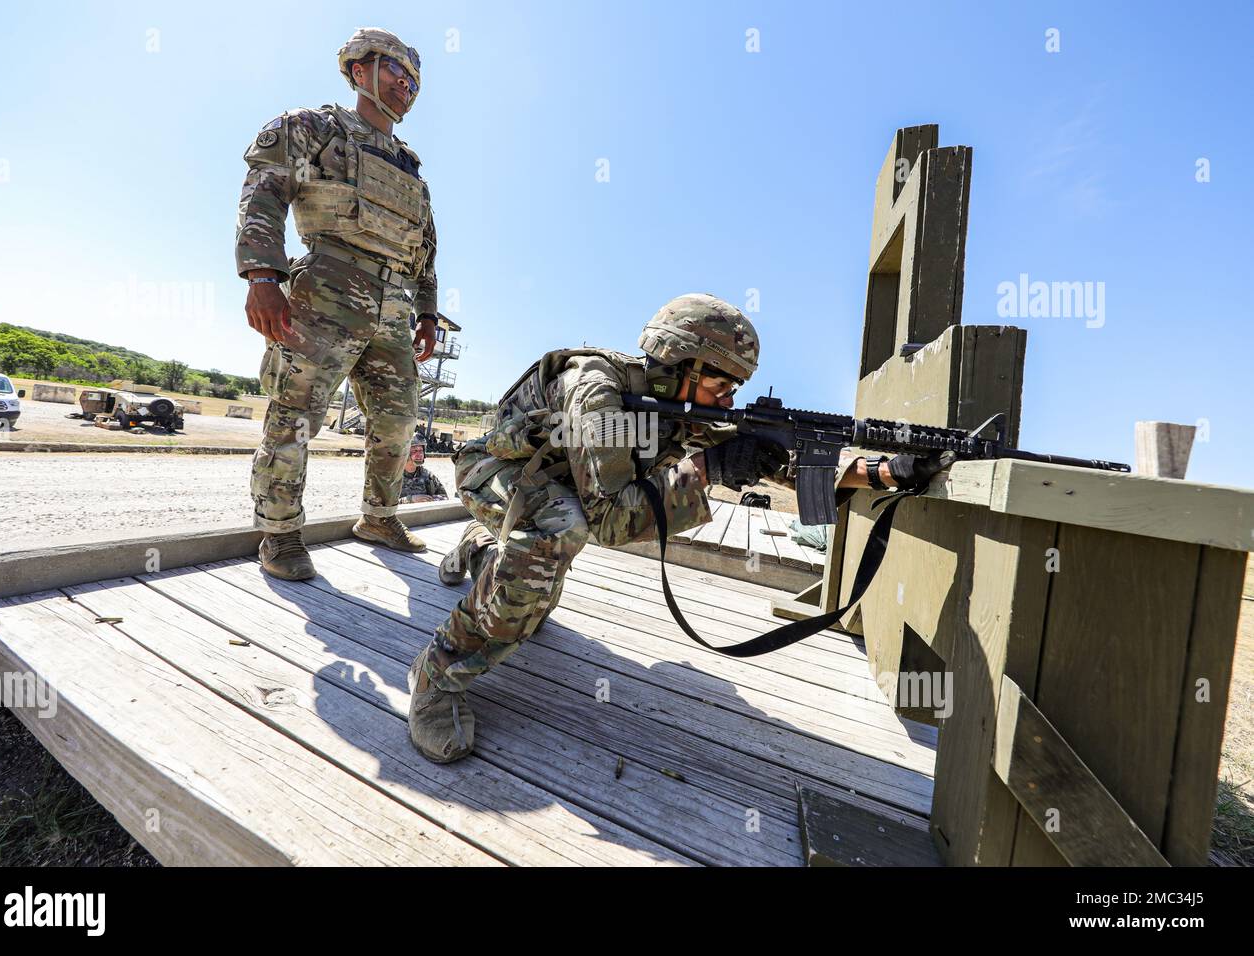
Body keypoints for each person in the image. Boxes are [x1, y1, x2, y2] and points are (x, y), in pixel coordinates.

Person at [405, 293, 941, 762]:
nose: (730, 398)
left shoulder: (677, 403)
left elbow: (779, 463)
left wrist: (881, 470)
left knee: (536, 579)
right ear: (684, 362)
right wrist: (711, 469)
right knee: (556, 531)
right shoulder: (598, 392)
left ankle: (484, 551)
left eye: (737, 386)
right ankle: (435, 675)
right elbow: (610, 522)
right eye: (722, 381)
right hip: (495, 473)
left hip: (557, 487)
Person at [236, 27, 441, 580]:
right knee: (297, 417)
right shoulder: (315, 128)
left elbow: (425, 247)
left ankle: (379, 517)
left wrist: (425, 313)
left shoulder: (411, 168)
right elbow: (265, 190)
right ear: (358, 71)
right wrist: (261, 275)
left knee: (398, 423)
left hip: (393, 307)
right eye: (395, 70)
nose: (406, 84)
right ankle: (279, 535)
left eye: (413, 78)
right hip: (326, 287)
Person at [400, 435, 451, 502]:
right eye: (415, 451)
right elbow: (384, 505)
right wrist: (410, 500)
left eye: (421, 451)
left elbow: (444, 497)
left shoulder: (428, 476)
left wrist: (430, 499)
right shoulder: (393, 477)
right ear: (405, 453)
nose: (419, 454)